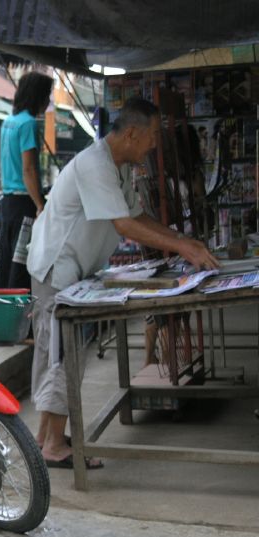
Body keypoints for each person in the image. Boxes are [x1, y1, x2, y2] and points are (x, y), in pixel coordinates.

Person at [26, 96, 220, 470]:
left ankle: (45, 438)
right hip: (56, 270)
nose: (153, 145)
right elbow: (124, 225)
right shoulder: (95, 164)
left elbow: (136, 214)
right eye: (151, 138)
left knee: (64, 355)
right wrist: (182, 245)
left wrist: (184, 242)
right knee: (61, 356)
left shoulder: (118, 167)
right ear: (131, 133)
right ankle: (51, 445)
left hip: (76, 271)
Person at [0, 71, 54, 290]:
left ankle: (2, 314)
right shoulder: (29, 124)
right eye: (47, 94)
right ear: (38, 96)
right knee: (21, 266)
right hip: (24, 204)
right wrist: (40, 204)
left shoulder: (9, 122)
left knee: (7, 262)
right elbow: (28, 168)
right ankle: (19, 319)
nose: (48, 101)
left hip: (8, 203)